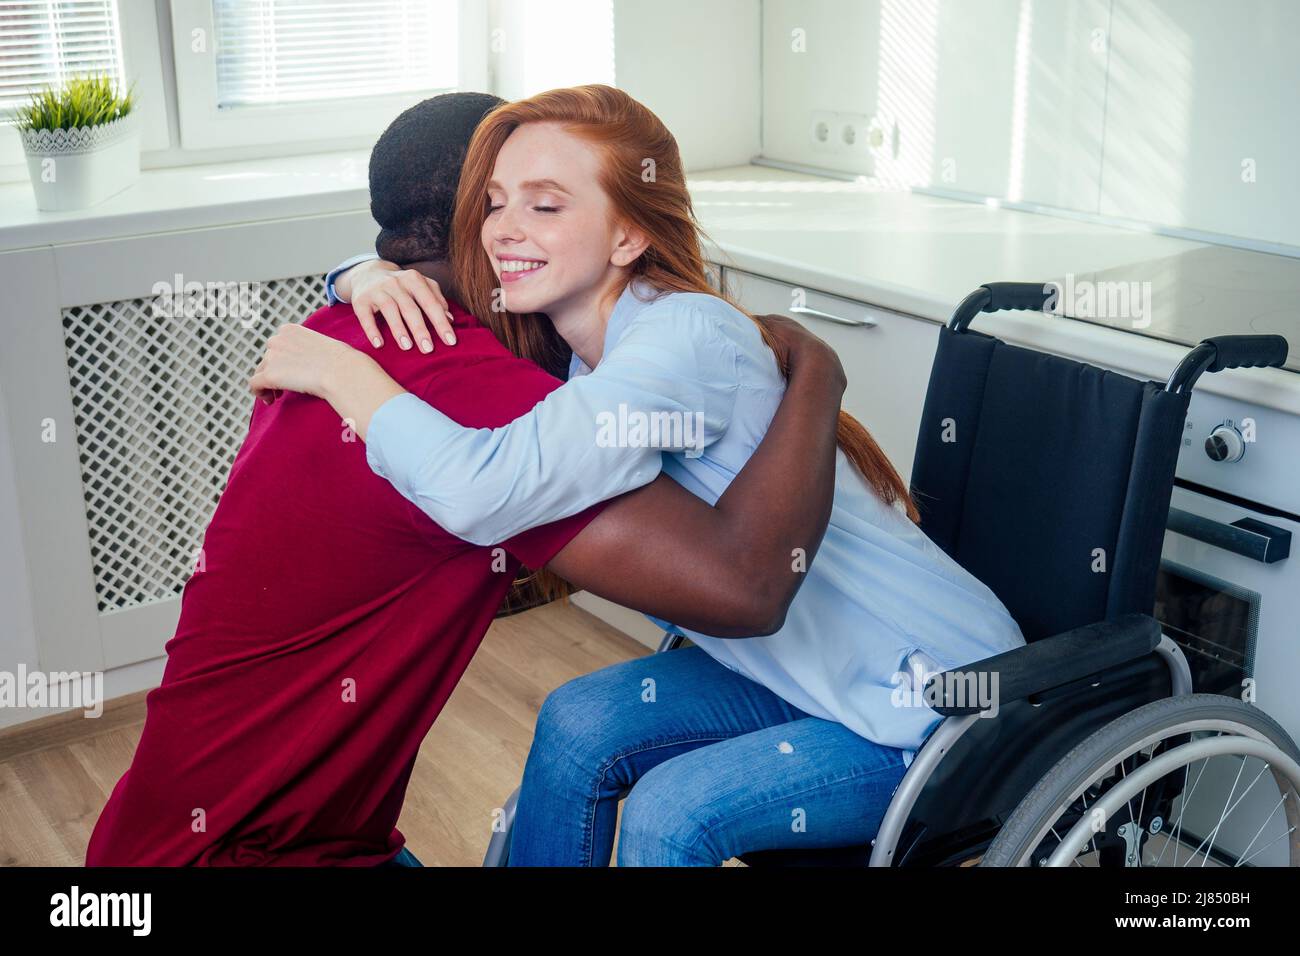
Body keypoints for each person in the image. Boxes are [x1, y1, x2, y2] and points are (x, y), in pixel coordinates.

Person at [254, 84, 1027, 866]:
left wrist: (342, 372)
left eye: (546, 206)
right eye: (494, 202)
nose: (504, 231)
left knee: (671, 813)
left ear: (626, 237)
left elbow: (479, 490)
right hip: (812, 677)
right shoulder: (581, 343)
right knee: (577, 724)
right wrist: (360, 273)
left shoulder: (682, 340)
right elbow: (433, 267)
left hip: (940, 702)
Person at [84, 92, 847, 867]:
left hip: (189, 840)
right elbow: (743, 586)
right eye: (502, 203)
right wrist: (817, 366)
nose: (523, 227)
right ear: (480, 226)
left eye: (548, 203)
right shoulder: (482, 392)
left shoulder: (343, 333)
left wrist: (356, 272)